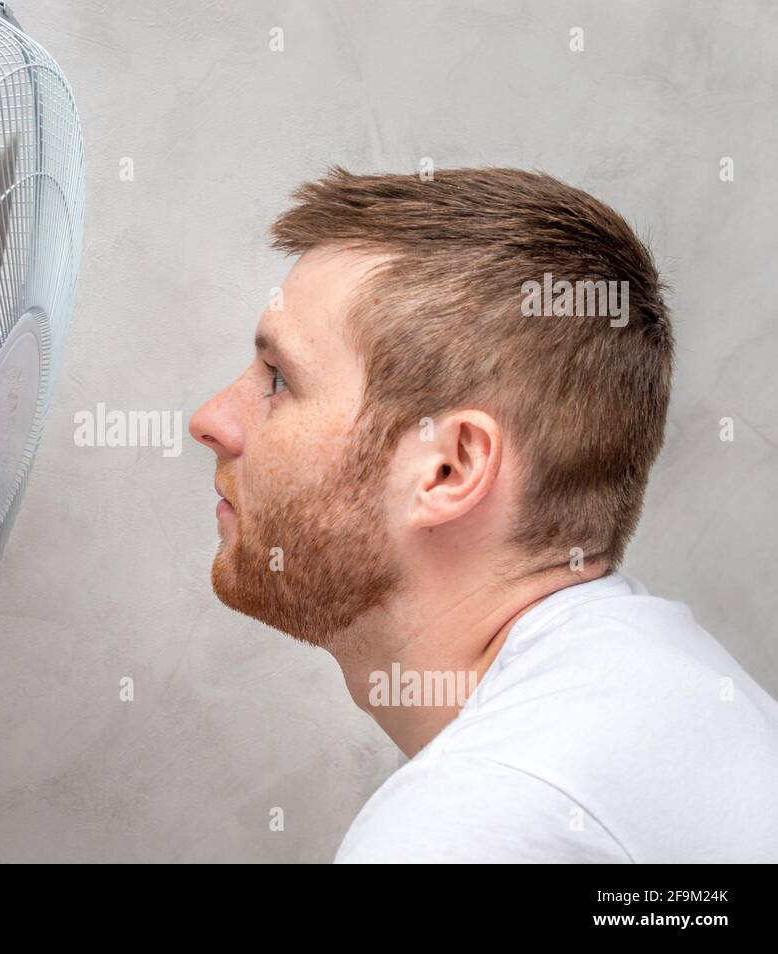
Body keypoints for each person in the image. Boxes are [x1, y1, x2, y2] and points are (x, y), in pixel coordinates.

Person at [188, 167, 778, 862]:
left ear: (450, 468)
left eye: (280, 379)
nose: (211, 421)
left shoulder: (481, 818)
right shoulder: (667, 688)